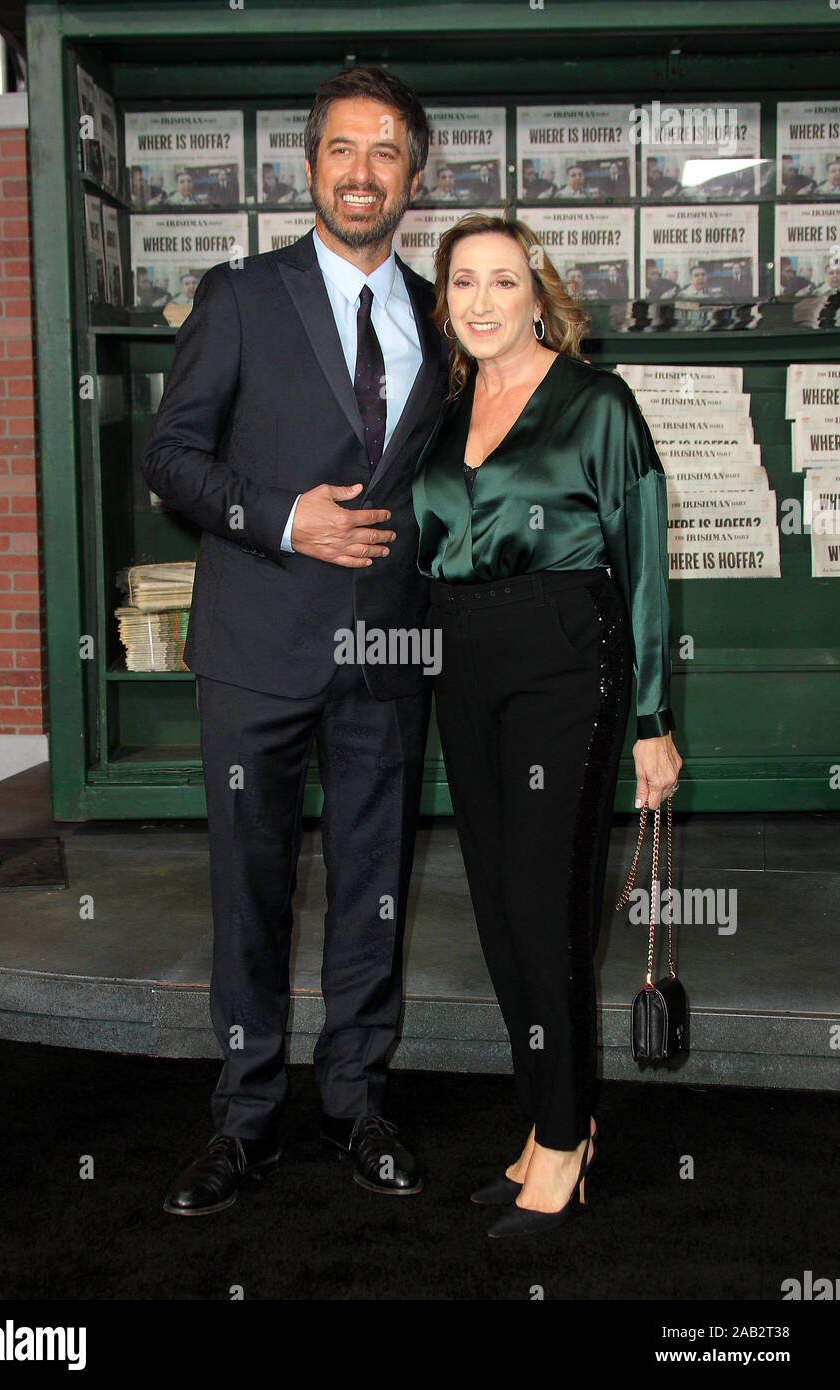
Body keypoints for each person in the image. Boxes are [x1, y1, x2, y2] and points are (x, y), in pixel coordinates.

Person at [142, 66, 446, 1216]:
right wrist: (282, 517)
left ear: (414, 176)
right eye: (340, 150)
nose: (360, 171)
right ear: (307, 165)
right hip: (254, 646)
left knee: (374, 887)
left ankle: (357, 1099)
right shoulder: (237, 296)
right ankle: (244, 1114)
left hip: (387, 656)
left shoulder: (436, 316)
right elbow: (169, 458)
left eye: (383, 153)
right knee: (248, 889)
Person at [412, 213, 682, 1238]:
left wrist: (652, 714)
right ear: (447, 301)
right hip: (459, 659)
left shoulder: (595, 404)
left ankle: (567, 1141)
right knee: (493, 905)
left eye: (502, 281)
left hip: (566, 656)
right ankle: (542, 1117)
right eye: (462, 283)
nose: (482, 300)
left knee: (543, 902)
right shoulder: (440, 410)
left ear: (538, 292)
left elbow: (644, 559)